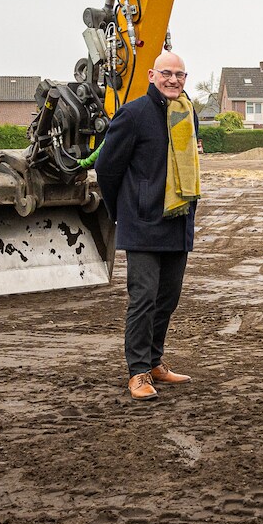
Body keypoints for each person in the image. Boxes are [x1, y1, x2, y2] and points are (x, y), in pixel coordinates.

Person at [95, 51, 201, 402]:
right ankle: (138, 372)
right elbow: (107, 168)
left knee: (167, 298)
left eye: (180, 75)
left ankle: (155, 361)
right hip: (142, 224)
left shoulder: (187, 114)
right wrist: (124, 209)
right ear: (152, 75)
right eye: (167, 73)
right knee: (143, 298)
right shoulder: (133, 114)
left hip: (177, 221)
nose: (174, 80)